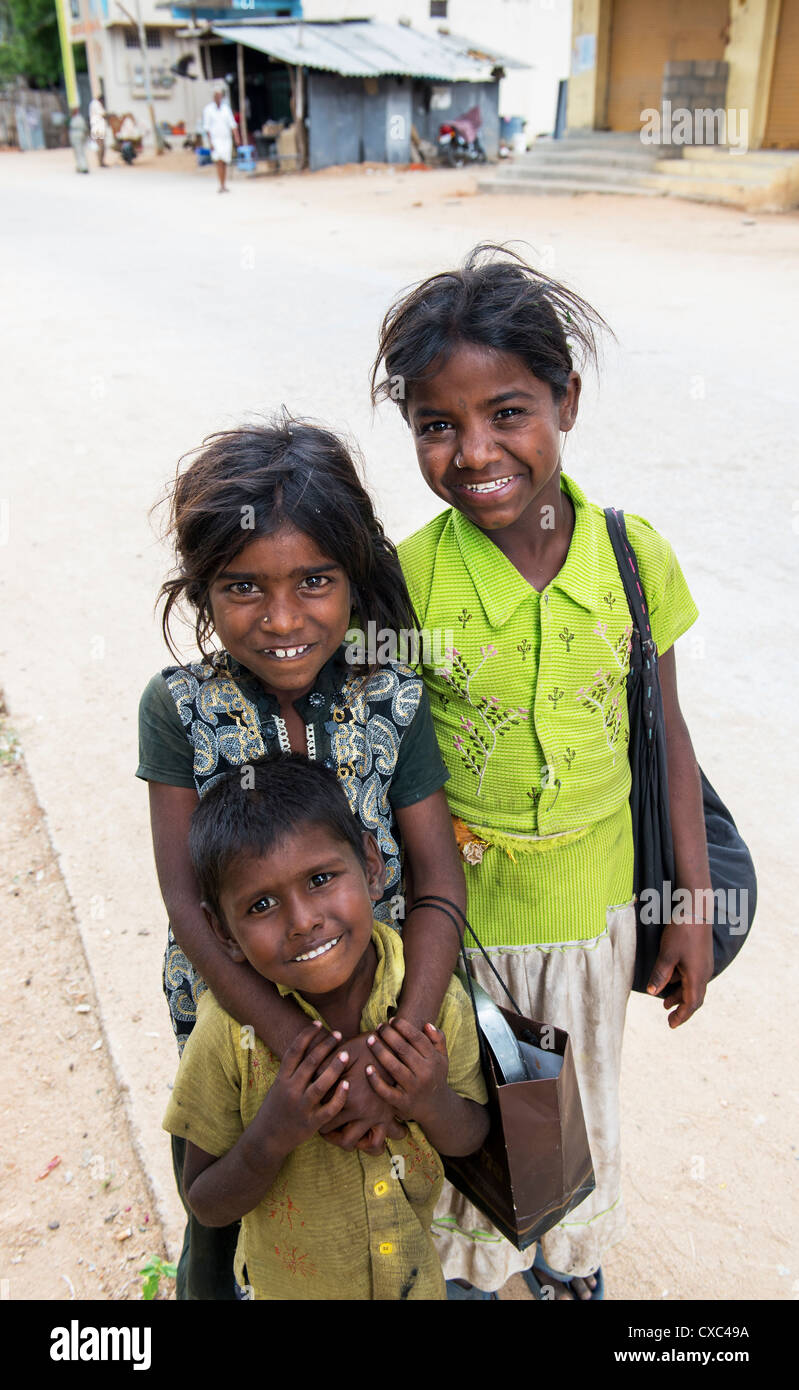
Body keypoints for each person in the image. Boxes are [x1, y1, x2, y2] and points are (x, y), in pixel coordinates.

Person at [371, 243, 714, 1300]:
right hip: (455, 928)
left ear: (564, 398)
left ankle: (569, 1267)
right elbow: (380, 764)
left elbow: (667, 736)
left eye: (507, 412)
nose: (474, 450)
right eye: (437, 424)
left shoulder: (630, 556)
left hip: (596, 913)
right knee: (473, 1112)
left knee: (577, 1104)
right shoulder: (407, 583)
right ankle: (479, 1276)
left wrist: (687, 905)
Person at [137, 415, 467, 1298]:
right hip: (238, 1020)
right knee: (229, 1197)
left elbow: (437, 885)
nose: (283, 619)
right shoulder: (179, 708)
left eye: (314, 581)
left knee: (378, 1192)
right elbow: (186, 906)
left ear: (353, 579)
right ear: (201, 590)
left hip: (384, 1005)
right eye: (243, 587)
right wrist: (300, 1049)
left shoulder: (391, 692)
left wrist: (398, 1039)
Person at [162, 755, 488, 1300]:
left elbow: (471, 1140)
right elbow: (206, 1202)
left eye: (320, 879)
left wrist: (429, 1099)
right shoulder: (227, 1037)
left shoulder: (429, 1001)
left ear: (371, 862)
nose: (302, 920)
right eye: (261, 904)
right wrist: (272, 1135)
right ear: (221, 932)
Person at [202, 82, 240, 192]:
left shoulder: (226, 109)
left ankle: (224, 183)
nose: (218, 97)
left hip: (226, 139)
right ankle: (221, 184)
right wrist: (210, 142)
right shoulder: (208, 109)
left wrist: (236, 137)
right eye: (216, 95)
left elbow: (232, 124)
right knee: (218, 161)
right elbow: (207, 128)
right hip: (215, 139)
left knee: (224, 161)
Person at [68, 107, 89, 174]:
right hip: (75, 136)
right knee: (77, 152)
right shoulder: (73, 118)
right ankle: (80, 166)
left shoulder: (79, 118)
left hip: (78, 135)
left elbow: (84, 128)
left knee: (80, 152)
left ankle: (83, 166)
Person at [89, 93, 106, 167]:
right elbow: (102, 113)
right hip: (98, 128)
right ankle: (101, 162)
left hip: (96, 127)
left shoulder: (93, 103)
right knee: (101, 146)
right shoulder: (96, 104)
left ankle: (100, 161)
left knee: (99, 145)